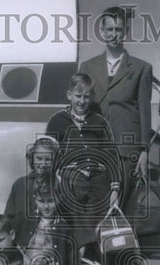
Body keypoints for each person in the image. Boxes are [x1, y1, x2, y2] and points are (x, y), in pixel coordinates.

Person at [79, 5, 153, 208]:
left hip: (126, 149)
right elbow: (80, 108)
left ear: (125, 31)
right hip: (96, 147)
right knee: (95, 205)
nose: (114, 34)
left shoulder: (141, 68)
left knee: (124, 208)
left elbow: (145, 112)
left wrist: (144, 152)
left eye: (118, 30)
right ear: (102, 32)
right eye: (109, 29)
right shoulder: (87, 67)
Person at [46, 73, 122, 249]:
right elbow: (50, 154)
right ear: (69, 95)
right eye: (78, 96)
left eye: (87, 97)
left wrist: (115, 189)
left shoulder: (99, 121)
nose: (82, 101)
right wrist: (55, 179)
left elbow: (111, 155)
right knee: (75, 227)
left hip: (98, 183)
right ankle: (80, 259)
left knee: (101, 227)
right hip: (72, 182)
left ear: (92, 97)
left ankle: (96, 262)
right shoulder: (58, 121)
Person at [4, 135, 60, 222]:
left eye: (48, 159)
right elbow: (8, 218)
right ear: (32, 158)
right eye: (39, 158)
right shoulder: (20, 185)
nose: (43, 164)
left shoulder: (60, 185)